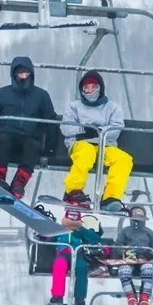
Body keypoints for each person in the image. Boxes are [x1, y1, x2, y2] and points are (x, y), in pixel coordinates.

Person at [0, 56, 57, 199]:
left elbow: (50, 121)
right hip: (6, 134)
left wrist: (50, 146)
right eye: (20, 74)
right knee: (3, 140)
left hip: (29, 137)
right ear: (14, 75)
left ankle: (19, 184)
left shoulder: (41, 96)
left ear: (31, 74)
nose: (23, 77)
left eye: (26, 74)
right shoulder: (2, 94)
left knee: (33, 146)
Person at [59, 70, 133, 211]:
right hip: (81, 143)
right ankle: (73, 191)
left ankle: (110, 198)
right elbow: (66, 128)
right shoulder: (74, 107)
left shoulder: (112, 108)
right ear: (82, 90)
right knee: (86, 154)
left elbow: (115, 129)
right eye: (87, 88)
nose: (90, 90)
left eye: (94, 87)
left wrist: (99, 132)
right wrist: (83, 131)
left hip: (105, 145)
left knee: (124, 159)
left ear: (100, 88)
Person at [49, 211, 103, 305]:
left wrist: (87, 232)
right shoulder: (60, 228)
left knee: (81, 268)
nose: (73, 218)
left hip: (78, 254)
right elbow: (49, 237)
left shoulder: (81, 230)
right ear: (66, 216)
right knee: (59, 266)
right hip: (62, 253)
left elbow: (95, 239)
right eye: (71, 215)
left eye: (75, 216)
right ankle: (57, 296)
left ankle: (80, 298)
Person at [116, 205, 153, 305]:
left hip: (144, 258)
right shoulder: (125, 231)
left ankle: (145, 296)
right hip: (129, 258)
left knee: (148, 270)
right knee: (124, 271)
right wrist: (124, 253)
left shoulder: (148, 232)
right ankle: (131, 295)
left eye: (140, 213)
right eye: (135, 213)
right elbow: (118, 245)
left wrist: (150, 254)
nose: (137, 215)